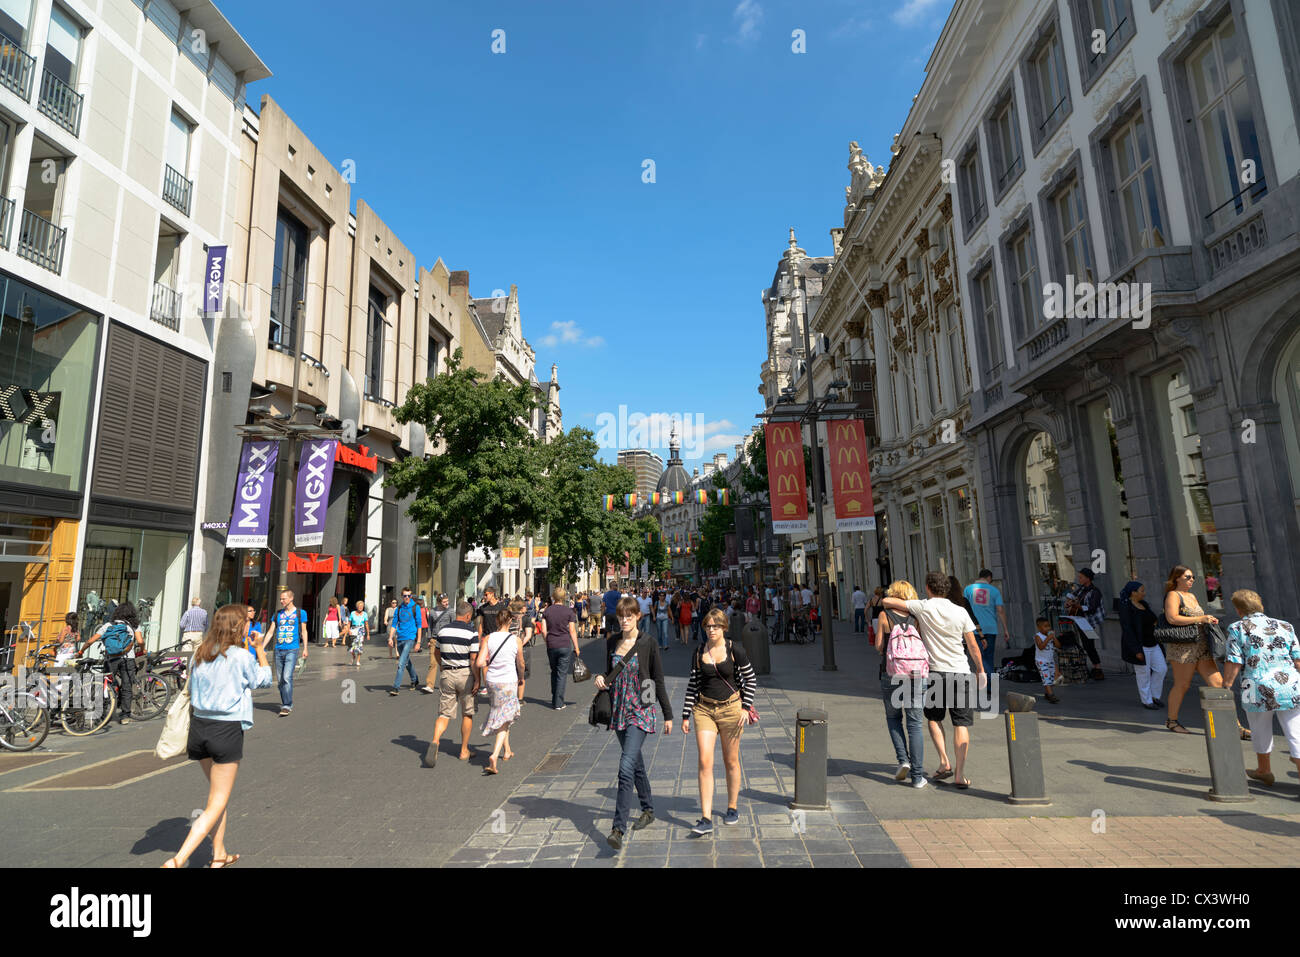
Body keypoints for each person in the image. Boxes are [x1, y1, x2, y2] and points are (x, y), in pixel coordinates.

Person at [161, 604, 272, 869]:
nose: (249, 626)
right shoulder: (241, 656)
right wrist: (259, 651)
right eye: (246, 622)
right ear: (238, 626)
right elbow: (263, 681)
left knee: (216, 796)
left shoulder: (200, 653)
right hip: (226, 729)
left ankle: (219, 854)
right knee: (217, 801)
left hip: (199, 728)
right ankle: (178, 860)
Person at [882, 571, 983, 788]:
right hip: (960, 671)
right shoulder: (961, 611)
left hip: (934, 673)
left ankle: (944, 762)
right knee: (961, 723)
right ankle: (960, 774)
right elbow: (973, 646)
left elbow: (886, 600)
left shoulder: (923, 606)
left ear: (928, 588)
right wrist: (981, 670)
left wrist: (907, 601)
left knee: (934, 719)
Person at [593, 596, 672, 849]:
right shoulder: (612, 642)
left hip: (640, 710)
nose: (625, 620)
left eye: (629, 616)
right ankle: (648, 809)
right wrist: (600, 678)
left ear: (638, 615)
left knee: (625, 767)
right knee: (635, 763)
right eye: (621, 616)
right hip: (618, 710)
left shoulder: (648, 643)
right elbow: (608, 674)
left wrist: (668, 714)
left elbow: (657, 679)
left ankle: (618, 828)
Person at [681, 608, 757, 834]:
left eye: (715, 626)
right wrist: (685, 714)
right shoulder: (698, 652)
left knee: (730, 760)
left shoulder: (735, 650)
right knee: (705, 761)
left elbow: (751, 679)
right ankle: (705, 817)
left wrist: (745, 707)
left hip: (731, 709)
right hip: (704, 709)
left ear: (724, 627)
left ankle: (732, 806)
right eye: (707, 626)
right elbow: (693, 684)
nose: (711, 630)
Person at [1221, 590, 1300, 787]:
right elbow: (1297, 659)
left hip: (1254, 684)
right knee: (1295, 731)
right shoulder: (1285, 625)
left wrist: (1226, 685)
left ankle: (1264, 770)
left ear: (1239, 610)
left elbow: (1234, 660)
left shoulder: (1237, 628)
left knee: (1259, 728)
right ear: (1260, 605)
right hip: (1290, 684)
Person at [1162, 565, 1244, 737]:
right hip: (1183, 647)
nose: (1191, 580)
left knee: (1220, 685)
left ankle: (1235, 726)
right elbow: (1172, 618)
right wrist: (1201, 618)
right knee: (1182, 685)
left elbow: (1197, 618)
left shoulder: (1191, 596)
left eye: (1193, 577)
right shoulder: (1173, 595)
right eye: (1188, 577)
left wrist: (1208, 620)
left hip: (1201, 645)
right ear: (1177, 578)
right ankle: (1172, 720)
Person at [875, 580, 928, 789]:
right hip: (916, 674)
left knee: (893, 717)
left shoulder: (884, 616)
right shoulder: (917, 617)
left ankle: (903, 760)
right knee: (915, 724)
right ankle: (917, 777)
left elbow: (879, 646)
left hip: (891, 674)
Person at [422, 600, 480, 766]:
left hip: (447, 673)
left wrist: (443, 667)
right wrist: (477, 679)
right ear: (468, 615)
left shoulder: (443, 630)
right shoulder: (472, 632)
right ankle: (463, 750)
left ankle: (435, 740)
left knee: (444, 713)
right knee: (467, 713)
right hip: (465, 674)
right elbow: (474, 659)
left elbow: (437, 653)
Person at [476, 608, 525, 775]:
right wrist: (521, 676)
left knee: (502, 713)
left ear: (497, 621)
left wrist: (490, 659)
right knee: (506, 717)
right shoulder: (515, 640)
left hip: (492, 681)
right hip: (508, 681)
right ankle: (495, 755)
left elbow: (480, 662)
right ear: (510, 621)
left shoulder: (488, 638)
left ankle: (507, 751)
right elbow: (521, 663)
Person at [79, 602, 144, 725]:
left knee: (104, 685)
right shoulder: (134, 625)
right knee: (126, 686)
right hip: (127, 658)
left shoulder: (108, 625)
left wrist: (81, 651)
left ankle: (101, 714)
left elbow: (90, 641)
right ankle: (125, 715)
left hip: (111, 659)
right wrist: (143, 649)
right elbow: (140, 641)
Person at [1119, 581, 1165, 710]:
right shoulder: (1126, 607)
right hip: (1140, 646)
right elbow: (1127, 630)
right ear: (1133, 592)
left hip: (1153, 643)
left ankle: (1155, 696)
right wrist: (1136, 650)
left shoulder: (1144, 604)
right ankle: (1147, 700)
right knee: (1143, 674)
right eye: (1142, 591)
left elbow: (1152, 619)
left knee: (1161, 669)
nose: (1144, 593)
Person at [266, 589, 307, 716]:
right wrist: (261, 647)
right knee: (280, 681)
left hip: (292, 649)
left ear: (291, 598)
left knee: (286, 677)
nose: (281, 601)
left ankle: (287, 705)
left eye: (283, 598)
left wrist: (305, 648)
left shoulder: (301, 613)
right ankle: (285, 702)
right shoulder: (277, 614)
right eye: (280, 599)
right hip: (278, 650)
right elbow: (270, 632)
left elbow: (304, 631)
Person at [964, 570, 1010, 677]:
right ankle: (990, 685)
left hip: (974, 628)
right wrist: (1005, 629)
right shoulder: (994, 590)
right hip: (990, 628)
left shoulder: (968, 589)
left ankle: (984, 685)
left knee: (979, 658)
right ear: (989, 578)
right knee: (989, 658)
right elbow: (1000, 610)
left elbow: (964, 608)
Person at [541, 586, 580, 710]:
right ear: (564, 598)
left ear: (554, 597)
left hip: (551, 644)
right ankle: (558, 702)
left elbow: (543, 630)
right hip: (564, 644)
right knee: (561, 674)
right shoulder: (569, 612)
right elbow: (572, 631)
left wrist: (547, 640)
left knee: (554, 671)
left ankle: (554, 697)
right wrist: (577, 647)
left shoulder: (547, 611)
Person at [1064, 568, 1106, 680]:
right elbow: (1072, 596)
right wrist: (1068, 602)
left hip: (1088, 622)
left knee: (1089, 646)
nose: (1079, 578)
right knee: (1085, 645)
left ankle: (1098, 668)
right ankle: (1093, 667)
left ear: (1088, 578)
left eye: (1081, 577)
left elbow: (1091, 608)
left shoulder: (1095, 591)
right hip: (1080, 620)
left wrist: (1077, 606)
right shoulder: (1081, 589)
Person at [387, 587, 423, 696]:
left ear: (411, 596)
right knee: (407, 661)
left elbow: (419, 626)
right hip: (400, 638)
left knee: (401, 663)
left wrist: (418, 642)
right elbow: (394, 625)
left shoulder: (415, 607)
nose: (407, 597)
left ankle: (396, 687)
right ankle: (414, 679)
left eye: (409, 595)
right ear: (402, 596)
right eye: (404, 596)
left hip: (410, 638)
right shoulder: (399, 608)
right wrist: (390, 638)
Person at [422, 594, 453, 693]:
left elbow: (453, 625)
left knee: (446, 663)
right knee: (433, 663)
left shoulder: (451, 611)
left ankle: (447, 685)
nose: (447, 603)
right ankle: (429, 685)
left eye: (447, 601)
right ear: (439, 602)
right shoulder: (432, 612)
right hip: (435, 639)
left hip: (447, 640)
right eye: (444, 602)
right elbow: (430, 626)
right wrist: (429, 639)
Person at [1034, 616, 1061, 703]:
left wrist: (1054, 638)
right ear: (1039, 627)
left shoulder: (1050, 636)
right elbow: (1041, 647)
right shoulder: (1038, 636)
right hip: (1041, 661)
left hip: (1050, 661)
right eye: (1045, 626)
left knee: (1052, 679)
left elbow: (1058, 646)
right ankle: (1051, 695)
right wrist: (1048, 638)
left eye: (1048, 626)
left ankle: (1047, 693)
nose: (1048, 628)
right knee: (1046, 678)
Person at [348, 599, 368, 667]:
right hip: (353, 629)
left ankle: (358, 660)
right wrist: (349, 630)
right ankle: (353, 656)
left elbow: (366, 624)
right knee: (352, 646)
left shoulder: (365, 614)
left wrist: (368, 634)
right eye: (359, 606)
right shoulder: (352, 613)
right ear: (357, 606)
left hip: (361, 630)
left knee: (360, 646)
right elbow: (349, 623)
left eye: (362, 606)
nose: (361, 608)